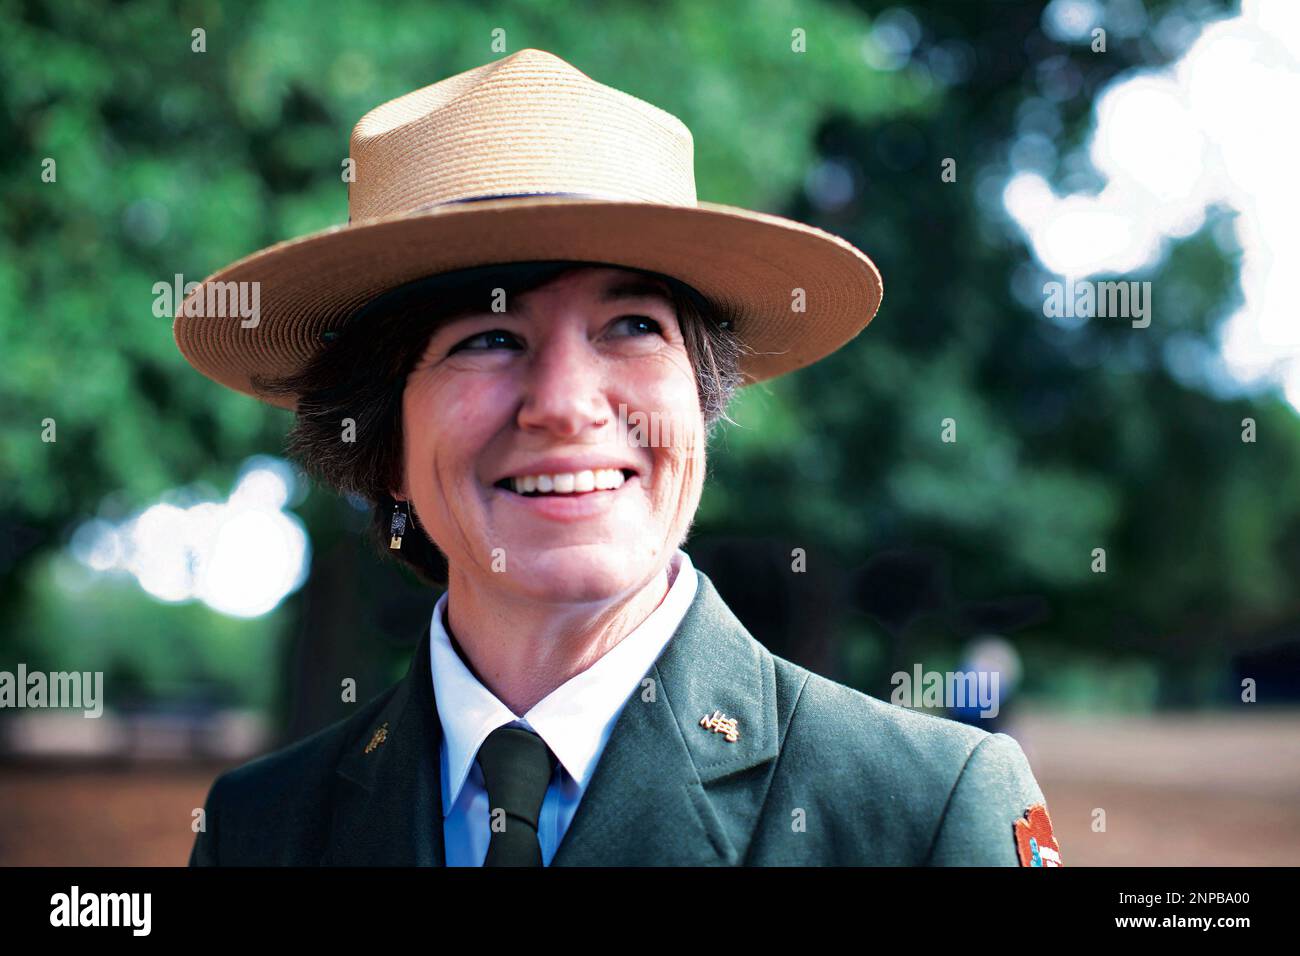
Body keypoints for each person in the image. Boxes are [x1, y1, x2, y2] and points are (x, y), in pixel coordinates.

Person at [177, 48, 1062, 866]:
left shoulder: (920, 811)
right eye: (487, 337)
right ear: (383, 439)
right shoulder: (261, 830)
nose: (565, 404)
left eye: (633, 326)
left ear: (703, 401)